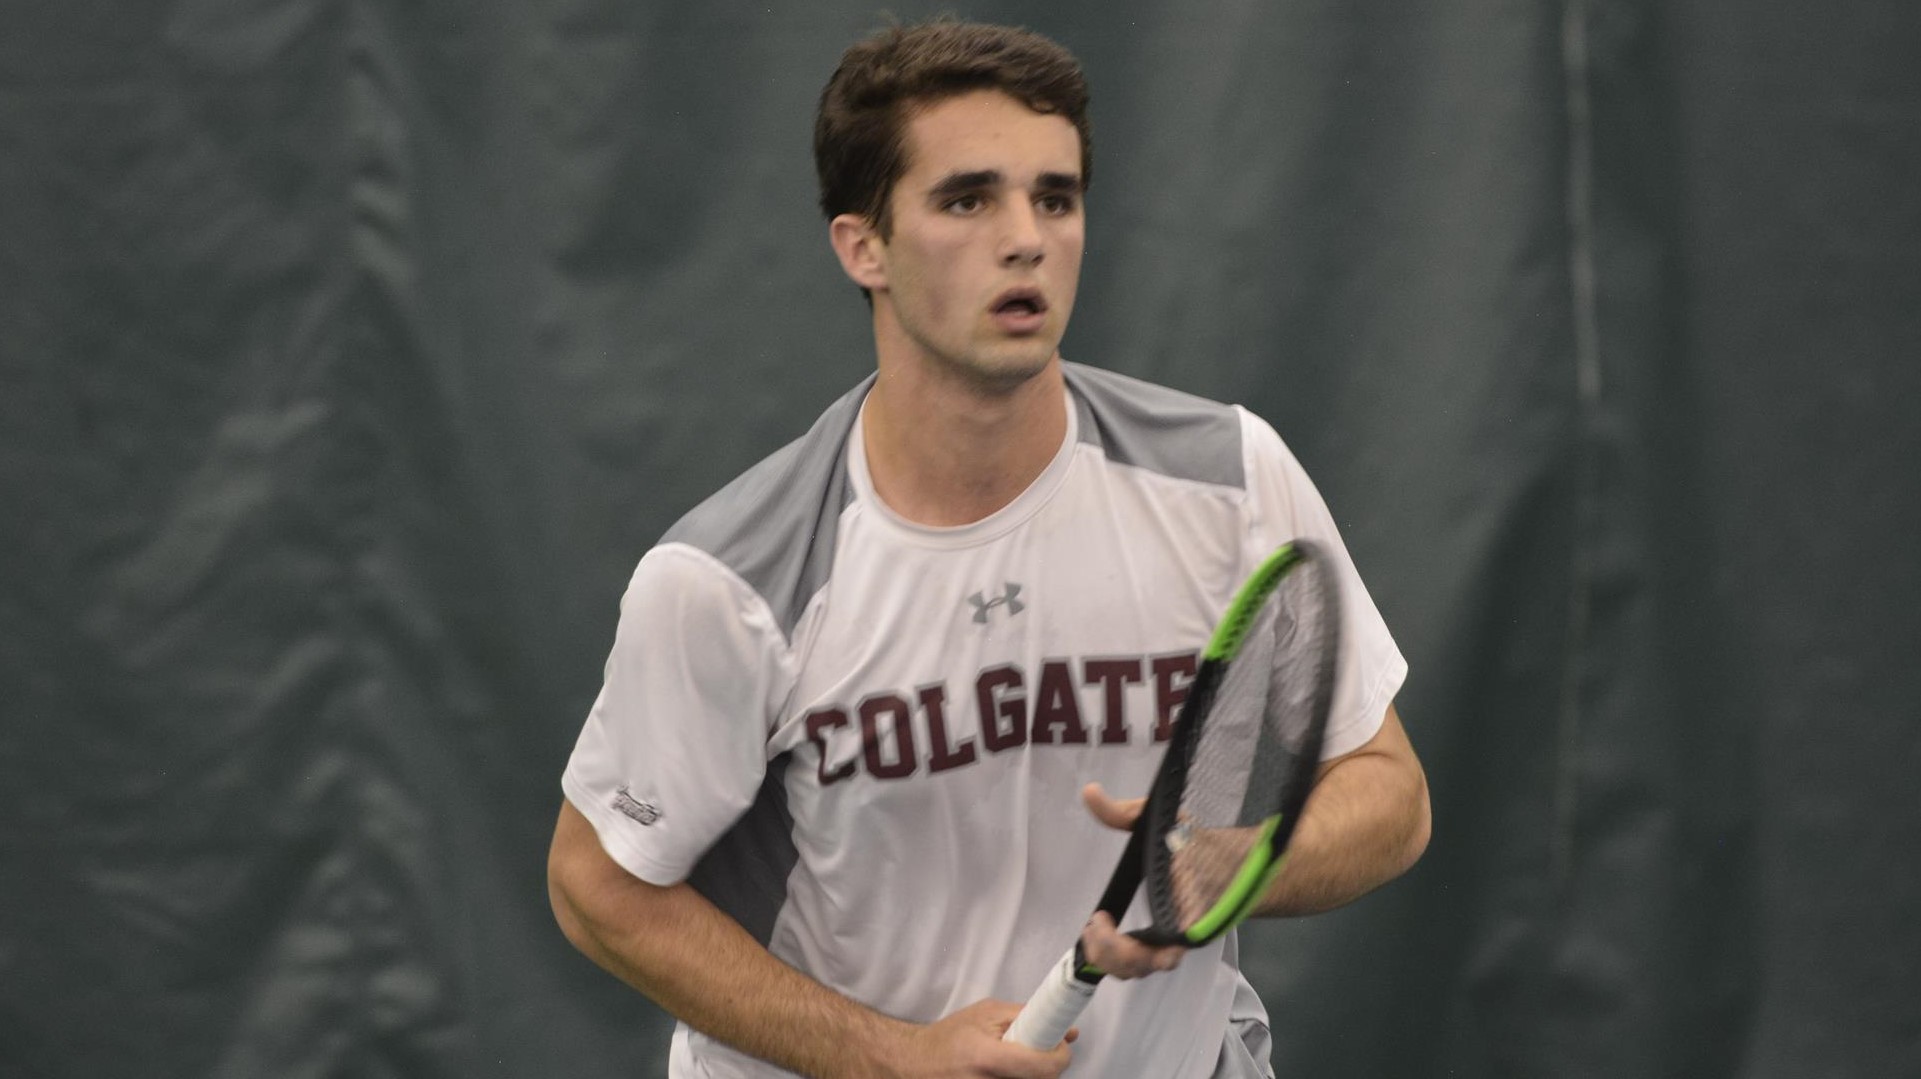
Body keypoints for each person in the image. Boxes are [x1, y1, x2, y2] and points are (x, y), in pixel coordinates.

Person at [547, 19, 1430, 1079]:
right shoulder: (728, 581)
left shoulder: (1230, 480)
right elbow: (596, 886)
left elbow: (1389, 790)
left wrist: (1236, 864)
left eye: (1055, 198)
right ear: (862, 247)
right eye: (967, 200)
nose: (1025, 239)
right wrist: (889, 1056)